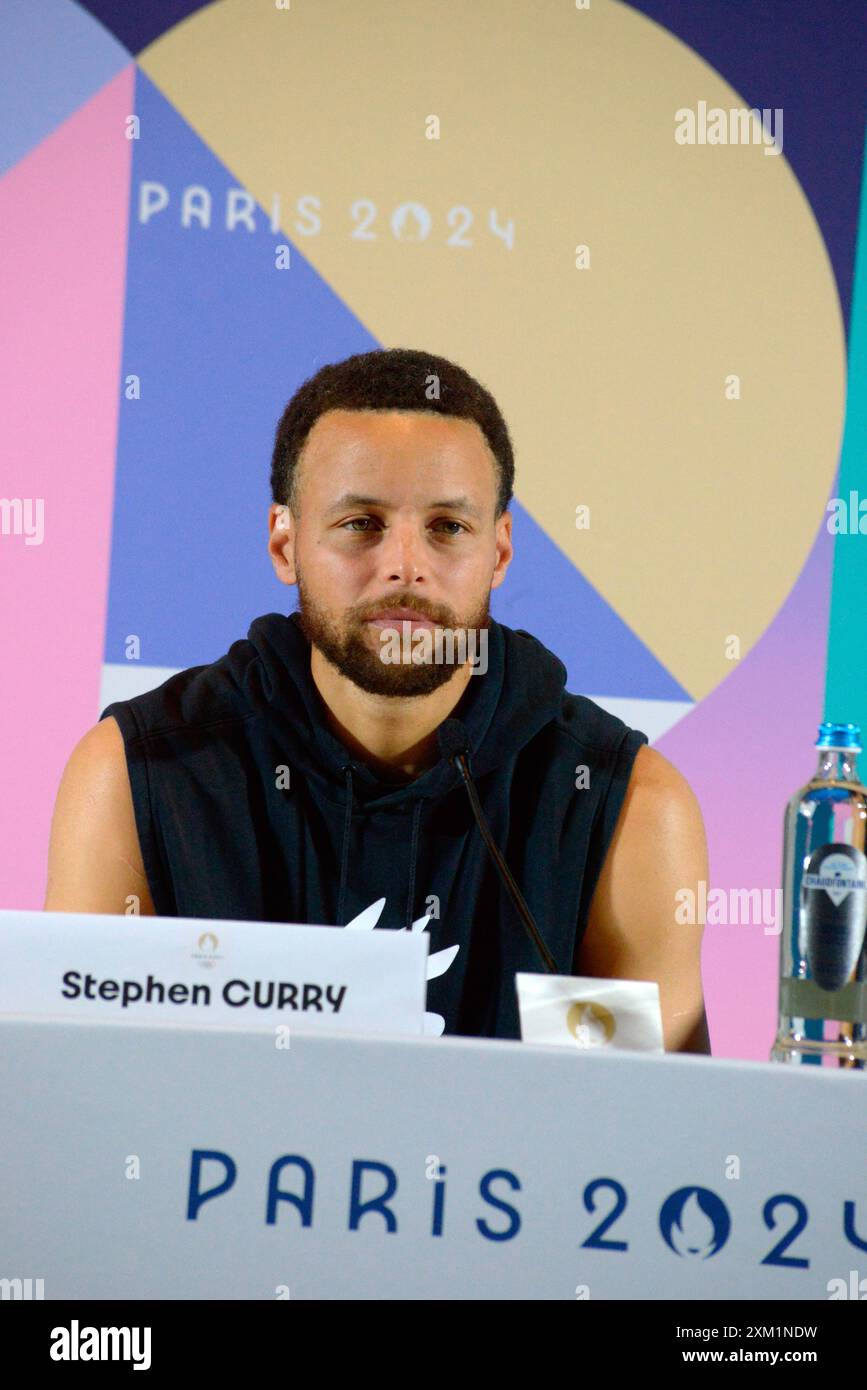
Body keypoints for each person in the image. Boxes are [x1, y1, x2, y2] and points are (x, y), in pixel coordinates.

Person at [43, 347, 710, 1049]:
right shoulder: (135, 772)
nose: (404, 566)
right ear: (284, 543)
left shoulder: (630, 804)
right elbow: (81, 1097)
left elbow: (644, 1134)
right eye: (360, 523)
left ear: (499, 551)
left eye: (447, 528)